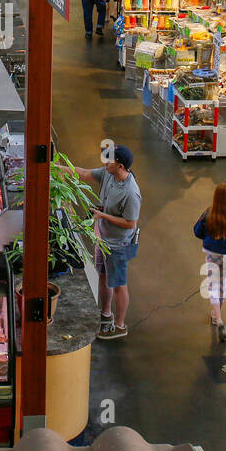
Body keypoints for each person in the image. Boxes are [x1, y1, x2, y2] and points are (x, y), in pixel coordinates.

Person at [74, 145, 142, 340]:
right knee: (103, 276)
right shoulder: (108, 174)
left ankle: (120, 326)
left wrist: (102, 215)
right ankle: (105, 314)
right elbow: (84, 173)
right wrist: (57, 167)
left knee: (119, 284)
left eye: (109, 160)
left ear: (120, 166)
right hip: (103, 239)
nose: (105, 162)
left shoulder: (131, 193)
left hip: (118, 245)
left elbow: (130, 223)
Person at [194, 181, 226, 342]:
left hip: (211, 253)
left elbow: (197, 231)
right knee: (222, 284)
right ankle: (217, 314)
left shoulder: (208, 213)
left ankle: (218, 317)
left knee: (212, 284)